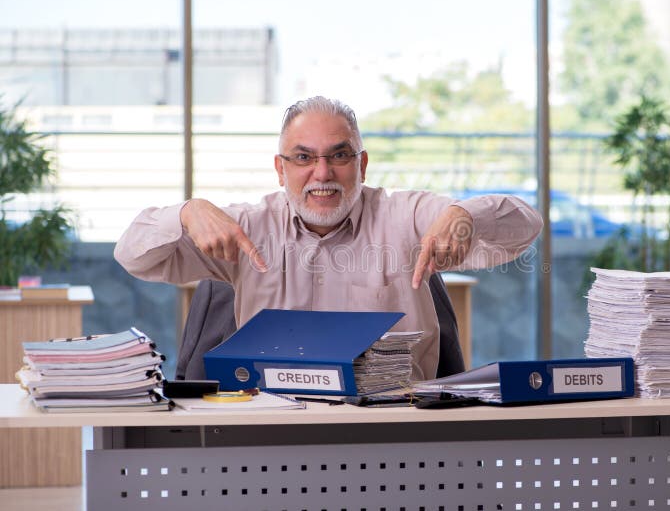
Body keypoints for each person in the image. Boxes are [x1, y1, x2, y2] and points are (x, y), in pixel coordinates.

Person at [114, 96, 543, 379]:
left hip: (394, 433)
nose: (322, 173)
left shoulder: (406, 217)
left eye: (339, 155)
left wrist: (464, 215)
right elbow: (133, 255)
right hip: (273, 434)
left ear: (362, 165)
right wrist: (187, 212)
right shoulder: (250, 226)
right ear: (281, 169)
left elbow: (525, 225)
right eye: (303, 157)